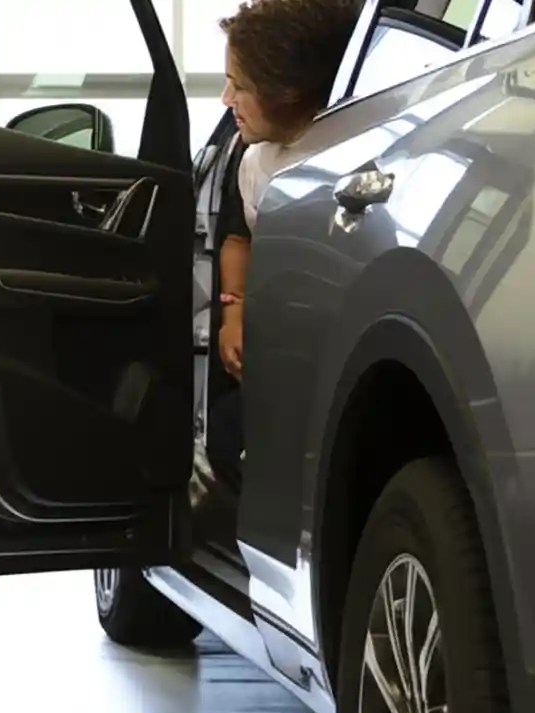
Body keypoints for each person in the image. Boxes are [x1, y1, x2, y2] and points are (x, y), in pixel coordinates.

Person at [205, 0, 361, 487]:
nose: (226, 98)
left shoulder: (348, 154)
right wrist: (234, 312)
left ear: (287, 91)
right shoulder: (254, 161)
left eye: (240, 86)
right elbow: (238, 238)